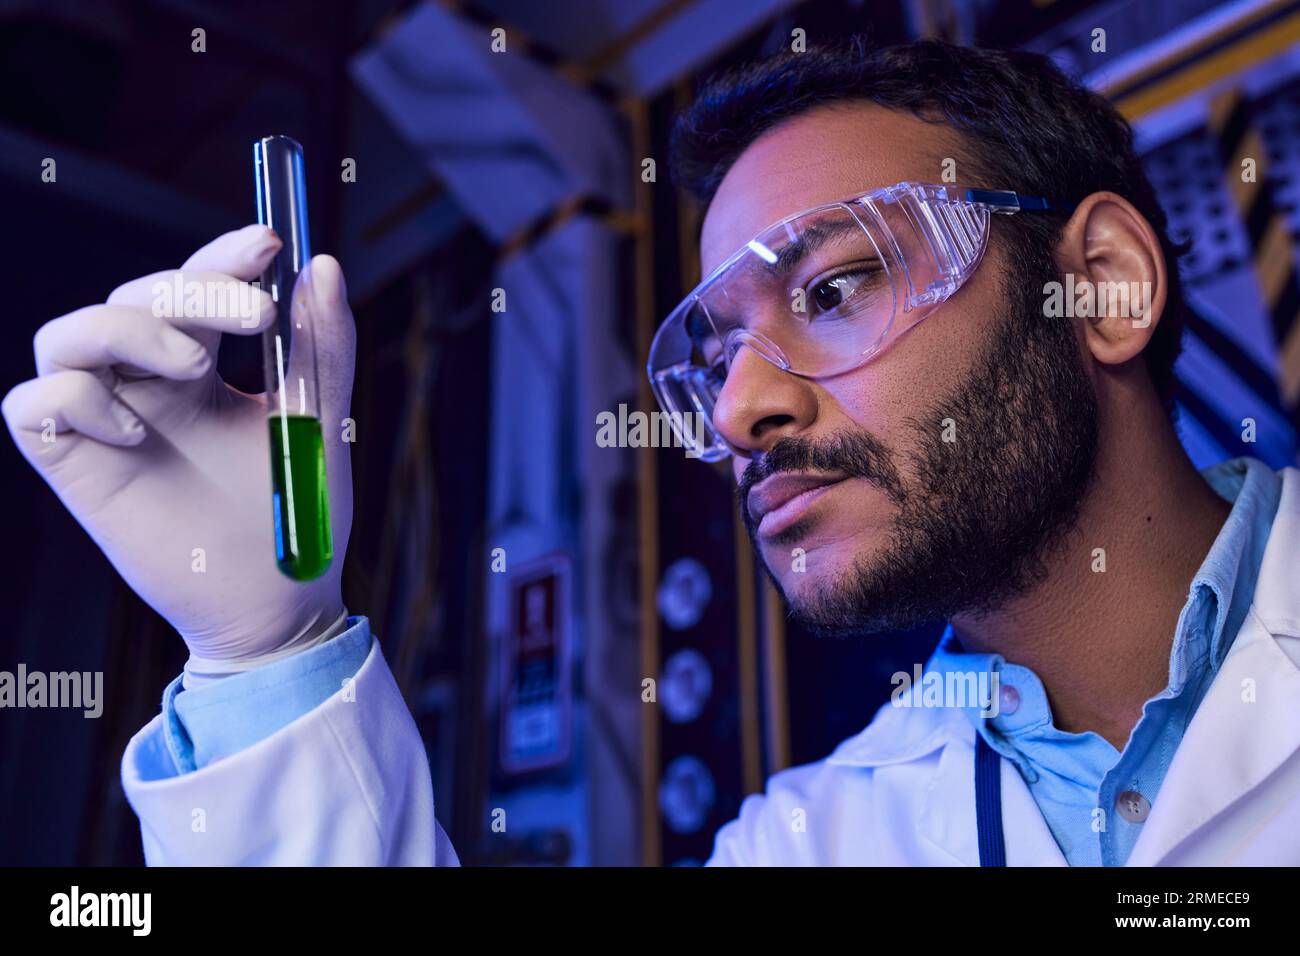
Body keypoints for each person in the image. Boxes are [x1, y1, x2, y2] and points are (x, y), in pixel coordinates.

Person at [5, 38, 1299, 866]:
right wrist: (266, 657)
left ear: (1104, 287)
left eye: (837, 289)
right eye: (711, 356)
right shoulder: (812, 841)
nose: (738, 415)